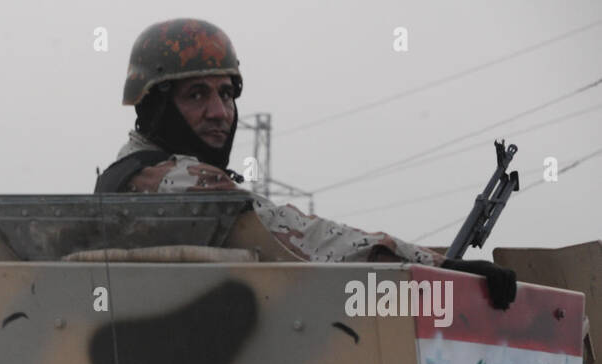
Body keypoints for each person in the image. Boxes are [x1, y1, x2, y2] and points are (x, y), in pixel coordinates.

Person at [98, 18, 517, 305]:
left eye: (226, 94)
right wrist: (441, 266)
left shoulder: (136, 174)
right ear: (155, 107)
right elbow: (303, 239)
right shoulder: (171, 183)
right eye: (196, 95)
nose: (219, 112)